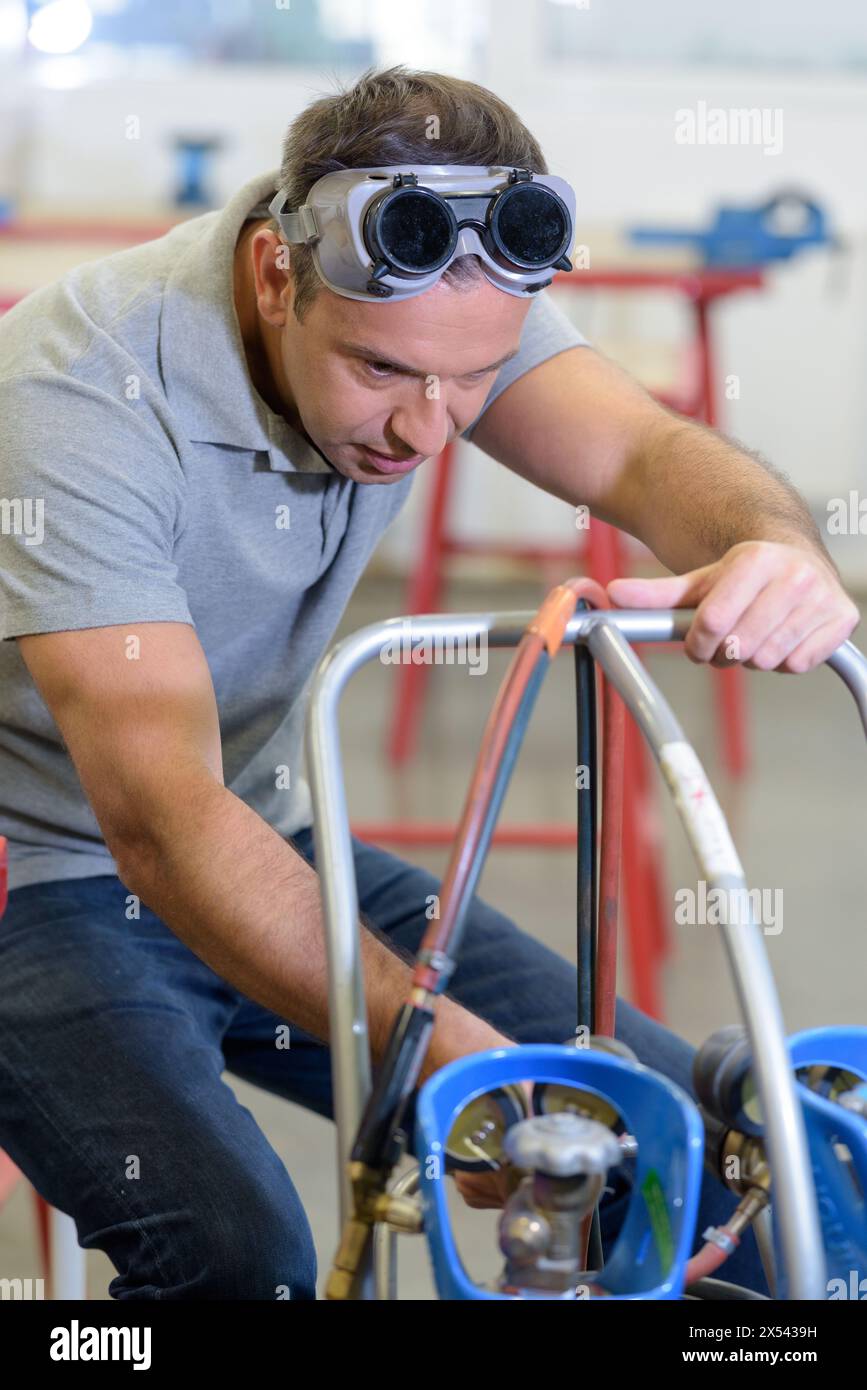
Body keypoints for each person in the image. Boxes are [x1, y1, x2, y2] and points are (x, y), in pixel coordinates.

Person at [0, 66, 857, 1301]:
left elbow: (651, 450)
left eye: (471, 381)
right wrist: (448, 1056)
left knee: (699, 1155)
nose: (428, 430)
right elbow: (164, 823)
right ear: (274, 275)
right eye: (385, 375)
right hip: (46, 882)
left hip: (277, 845)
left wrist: (779, 550)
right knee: (243, 1265)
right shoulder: (76, 395)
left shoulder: (439, 302)